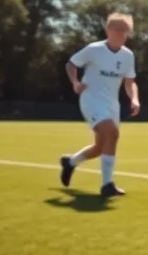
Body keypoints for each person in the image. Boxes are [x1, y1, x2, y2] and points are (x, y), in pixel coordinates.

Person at [59, 13, 140, 197]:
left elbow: (129, 82)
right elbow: (71, 64)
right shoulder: (94, 49)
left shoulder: (128, 55)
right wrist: (75, 82)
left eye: (124, 30)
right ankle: (107, 185)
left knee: (100, 147)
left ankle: (70, 163)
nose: (121, 33)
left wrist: (134, 99)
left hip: (112, 104)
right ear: (108, 31)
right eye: (117, 29)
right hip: (91, 99)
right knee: (112, 132)